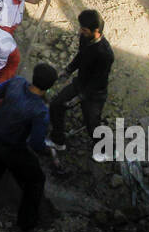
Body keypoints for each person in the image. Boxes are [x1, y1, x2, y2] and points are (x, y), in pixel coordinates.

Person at [0, 63, 60, 232]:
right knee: (36, 180)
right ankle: (26, 224)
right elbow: (36, 144)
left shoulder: (16, 82)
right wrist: (49, 150)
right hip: (13, 149)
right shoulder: (40, 111)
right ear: (50, 87)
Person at [48, 9, 114, 148]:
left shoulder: (105, 54)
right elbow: (80, 56)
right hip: (80, 83)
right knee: (56, 105)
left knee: (93, 126)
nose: (80, 32)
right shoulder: (85, 38)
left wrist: (79, 98)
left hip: (94, 94)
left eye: (84, 30)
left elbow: (98, 81)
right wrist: (68, 70)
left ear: (95, 30)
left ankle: (107, 149)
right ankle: (58, 140)